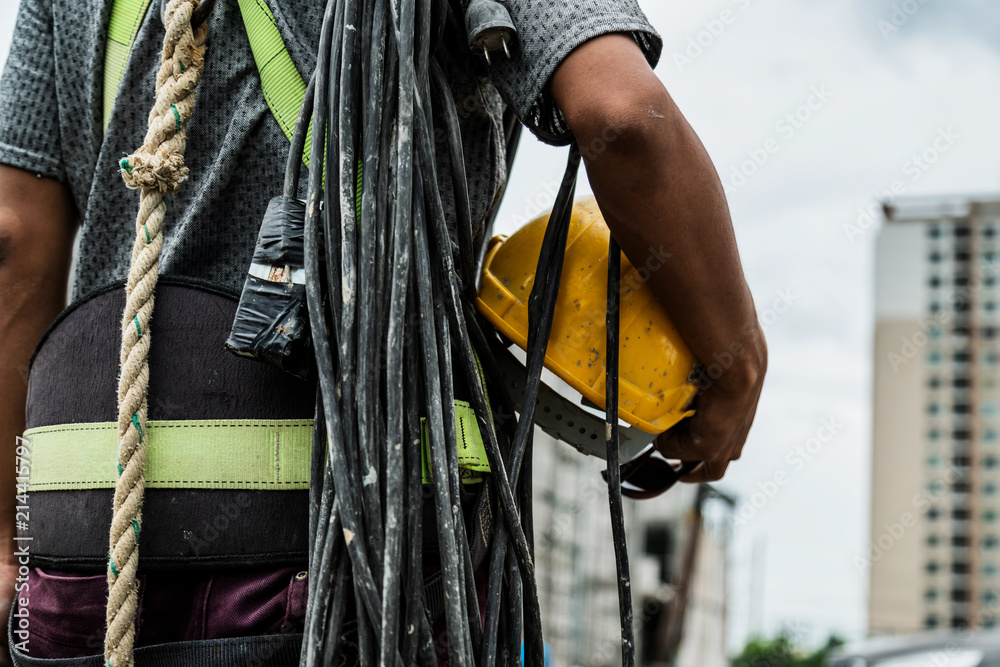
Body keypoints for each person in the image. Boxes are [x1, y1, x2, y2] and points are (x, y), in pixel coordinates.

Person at [0, 0, 766, 662]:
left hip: (83, 559)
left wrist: (6, 540)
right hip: (345, 561)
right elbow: (624, 115)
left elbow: (12, 244)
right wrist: (734, 364)